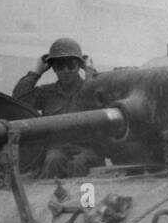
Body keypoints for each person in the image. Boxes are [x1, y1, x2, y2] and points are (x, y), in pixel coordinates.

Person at [11, 37, 105, 178]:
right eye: (60, 66)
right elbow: (19, 100)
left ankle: (84, 201)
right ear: (53, 68)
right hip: (57, 149)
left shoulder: (89, 88)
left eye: (71, 65)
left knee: (79, 164)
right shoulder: (46, 93)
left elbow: (100, 93)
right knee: (51, 160)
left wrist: (90, 71)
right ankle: (45, 200)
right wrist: (36, 72)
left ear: (79, 66)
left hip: (88, 150)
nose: (66, 70)